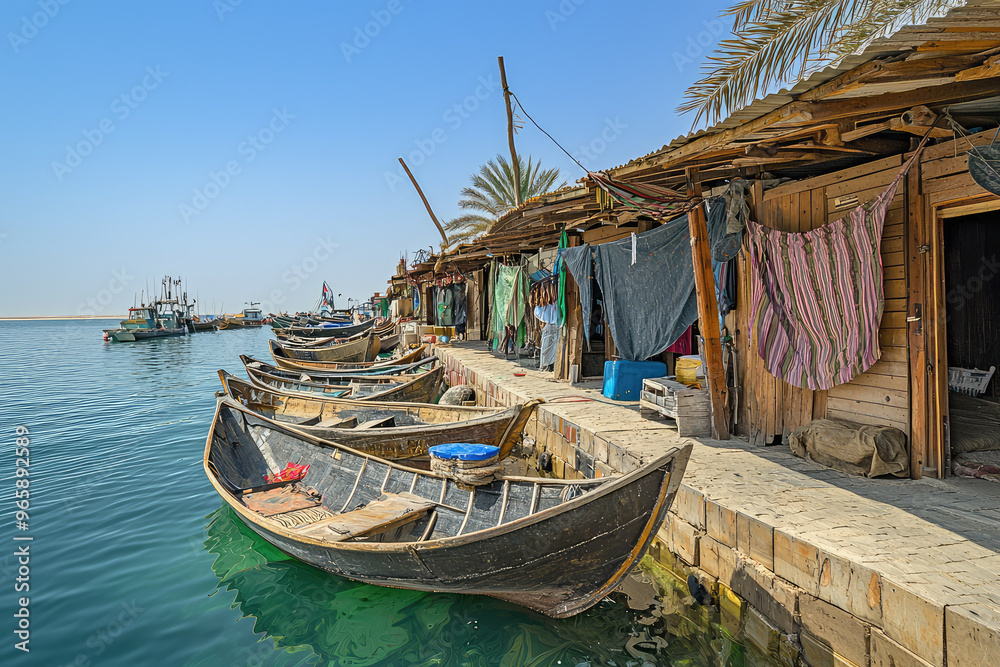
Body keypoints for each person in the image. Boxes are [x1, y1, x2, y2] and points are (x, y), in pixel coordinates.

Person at [533, 301, 559, 372]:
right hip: (550, 329)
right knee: (546, 349)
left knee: (551, 349)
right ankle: (546, 365)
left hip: (553, 329)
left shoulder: (554, 304)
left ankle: (550, 365)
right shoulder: (545, 304)